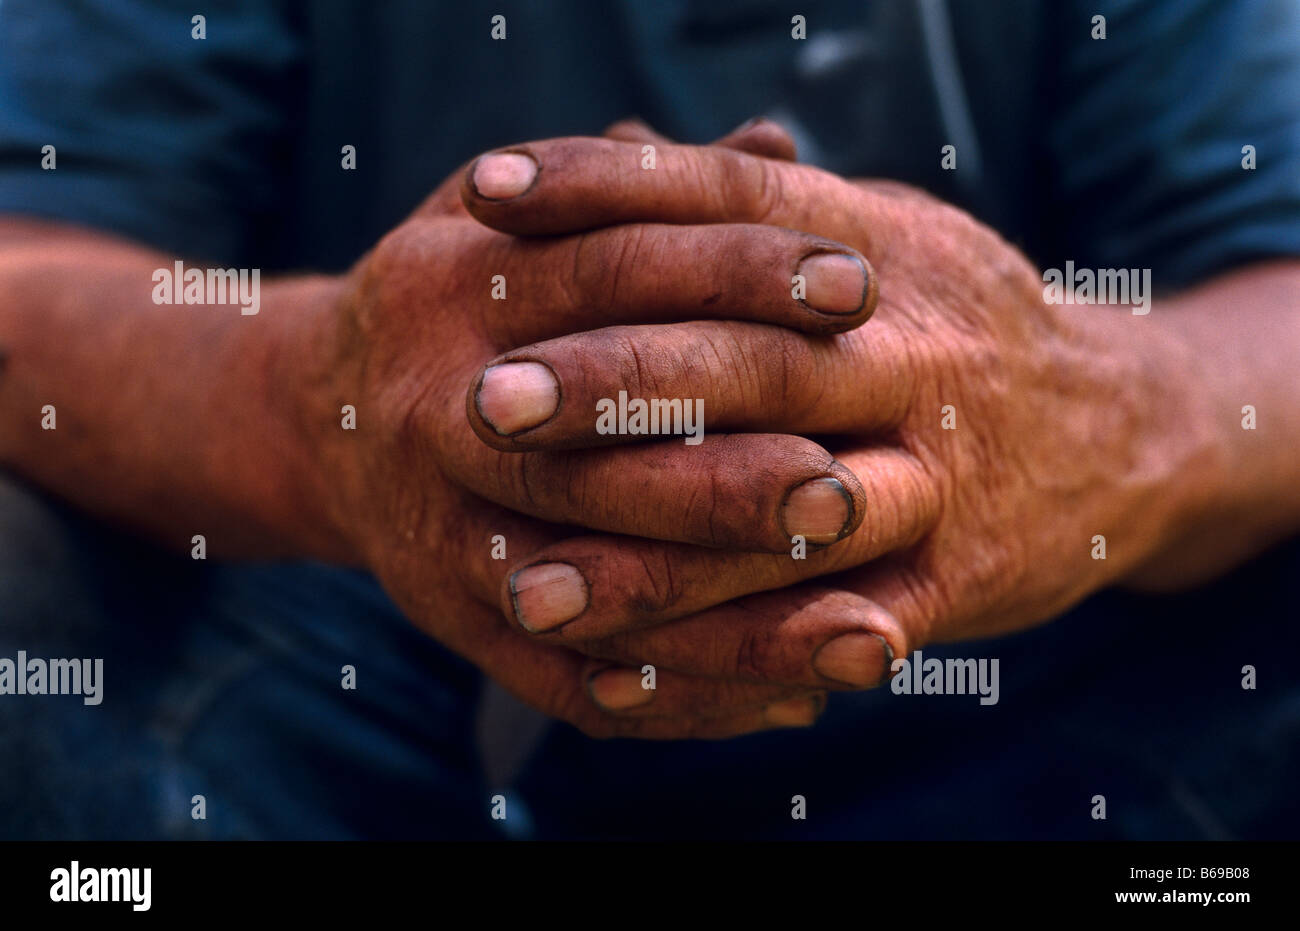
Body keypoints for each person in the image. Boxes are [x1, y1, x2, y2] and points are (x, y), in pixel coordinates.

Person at [1, 0, 1298, 839]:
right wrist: (323, 403)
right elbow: (31, 267)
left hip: (1001, 694)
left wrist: (1089, 412)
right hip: (343, 666)